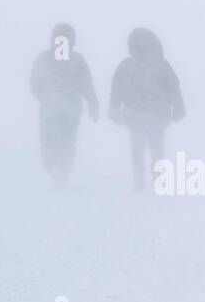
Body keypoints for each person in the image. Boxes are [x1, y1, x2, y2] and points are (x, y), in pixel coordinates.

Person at [108, 28, 185, 192]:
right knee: (152, 148)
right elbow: (173, 88)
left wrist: (114, 108)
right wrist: (178, 107)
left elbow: (117, 89)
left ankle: (146, 181)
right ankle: (150, 181)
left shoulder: (130, 65)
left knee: (141, 149)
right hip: (151, 114)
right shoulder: (159, 65)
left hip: (141, 114)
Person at [29, 23, 98, 188]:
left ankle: (56, 171)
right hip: (67, 108)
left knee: (51, 141)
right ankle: (61, 172)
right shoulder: (76, 59)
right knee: (64, 142)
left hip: (55, 108)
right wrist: (92, 102)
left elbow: (34, 83)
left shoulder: (45, 58)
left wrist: (43, 97)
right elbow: (86, 85)